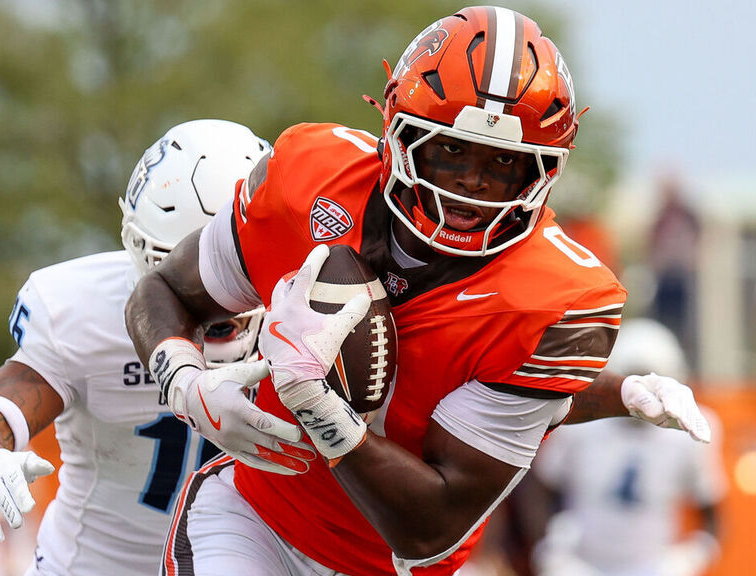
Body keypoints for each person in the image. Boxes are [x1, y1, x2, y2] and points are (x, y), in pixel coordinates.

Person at [125, 7, 711, 576]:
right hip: (254, 519)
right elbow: (165, 290)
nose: (472, 182)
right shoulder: (310, 176)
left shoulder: (561, 300)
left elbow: (428, 528)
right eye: (451, 148)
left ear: (545, 169)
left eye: (504, 161)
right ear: (398, 129)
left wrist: (314, 399)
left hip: (396, 565)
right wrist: (184, 381)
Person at [0, 119, 315, 576]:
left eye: (231, 270)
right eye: (188, 276)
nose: (217, 301)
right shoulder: (83, 312)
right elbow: (2, 410)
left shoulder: (313, 314)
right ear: (140, 255)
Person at [531, 318, 727, 576]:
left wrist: (693, 556)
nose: (644, 402)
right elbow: (540, 487)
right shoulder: (578, 423)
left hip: (653, 564)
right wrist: (551, 549)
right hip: (585, 561)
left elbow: (711, 508)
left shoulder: (690, 429)